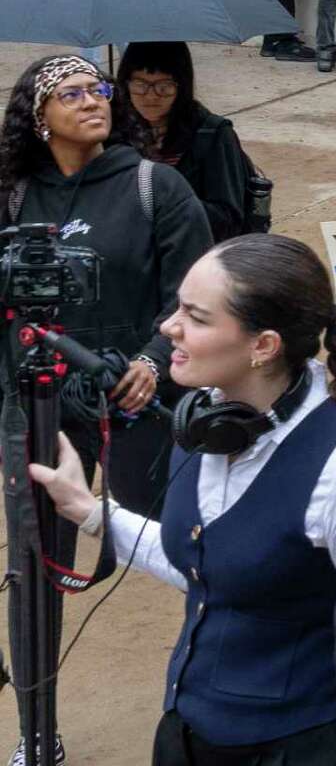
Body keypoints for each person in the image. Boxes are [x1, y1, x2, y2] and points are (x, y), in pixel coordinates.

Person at [27, 236, 336, 766]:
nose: (169, 327)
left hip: (299, 744)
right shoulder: (207, 419)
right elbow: (209, 567)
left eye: (196, 316)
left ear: (264, 345)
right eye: (177, 307)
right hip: (187, 732)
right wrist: (89, 511)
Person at [1, 54, 214, 760]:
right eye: (70, 93)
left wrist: (152, 362)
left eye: (98, 89)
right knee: (35, 569)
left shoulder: (156, 185)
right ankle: (37, 734)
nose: (92, 100)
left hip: (135, 398)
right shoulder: (12, 195)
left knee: (193, 548)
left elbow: (193, 292)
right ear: (38, 116)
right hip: (38, 401)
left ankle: (215, 700)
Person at [116, 42, 253, 243]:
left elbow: (228, 219)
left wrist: (166, 204)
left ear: (181, 86)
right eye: (140, 85)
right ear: (125, 84)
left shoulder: (213, 134)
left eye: (164, 87)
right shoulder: (117, 131)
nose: (151, 96)